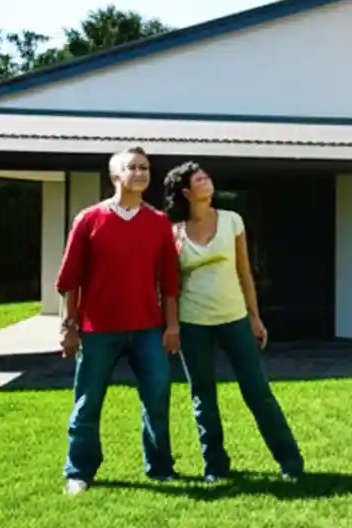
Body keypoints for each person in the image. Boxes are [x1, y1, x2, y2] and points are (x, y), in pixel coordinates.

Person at [163, 161, 305, 483]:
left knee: (257, 390)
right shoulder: (174, 232)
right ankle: (214, 466)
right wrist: (172, 326)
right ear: (186, 192)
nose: (206, 181)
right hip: (193, 322)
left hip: (234, 318)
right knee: (203, 395)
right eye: (199, 179)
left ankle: (290, 461)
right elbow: (171, 287)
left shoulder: (232, 220)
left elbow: (244, 272)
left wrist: (254, 316)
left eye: (206, 177)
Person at [57, 146, 182, 495]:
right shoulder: (88, 219)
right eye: (133, 167)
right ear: (115, 176)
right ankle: (79, 471)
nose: (141, 173)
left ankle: (161, 468)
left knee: (157, 398)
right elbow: (69, 279)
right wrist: (68, 327)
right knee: (87, 403)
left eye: (145, 168)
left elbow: (170, 282)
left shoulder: (159, 222)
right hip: (97, 331)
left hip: (148, 329)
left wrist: (172, 326)